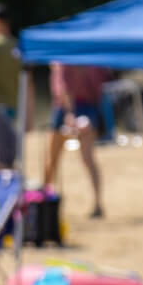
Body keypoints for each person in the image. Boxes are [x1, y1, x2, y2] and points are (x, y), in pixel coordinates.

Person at [45, 62, 106, 219]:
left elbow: (63, 88)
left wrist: (69, 113)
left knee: (52, 159)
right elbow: (100, 89)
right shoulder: (95, 62)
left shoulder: (63, 60)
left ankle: (44, 200)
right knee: (88, 159)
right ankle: (98, 203)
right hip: (88, 109)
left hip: (66, 109)